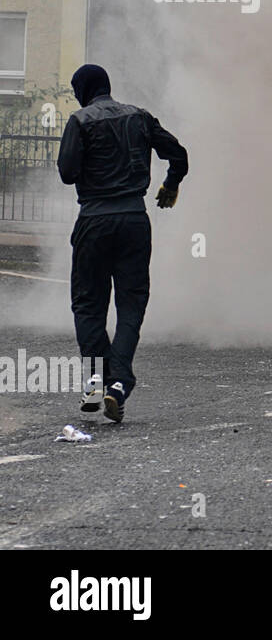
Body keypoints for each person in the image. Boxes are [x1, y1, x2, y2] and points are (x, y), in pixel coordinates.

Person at [56, 64, 188, 424]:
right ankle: (118, 386)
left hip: (94, 222)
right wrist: (170, 185)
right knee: (131, 304)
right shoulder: (140, 117)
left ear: (83, 89)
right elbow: (178, 154)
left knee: (88, 304)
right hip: (134, 220)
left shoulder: (80, 120)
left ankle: (98, 379)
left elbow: (67, 174)